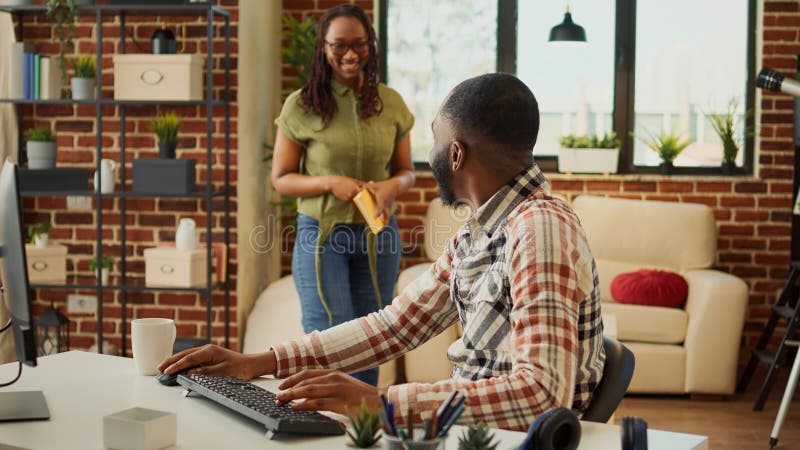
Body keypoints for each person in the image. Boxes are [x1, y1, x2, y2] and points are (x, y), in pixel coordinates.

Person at [159, 73, 605, 431]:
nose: (424, 156)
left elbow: (544, 395)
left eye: (433, 140)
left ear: (455, 155)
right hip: (462, 432)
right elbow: (394, 327)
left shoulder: (539, 231)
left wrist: (382, 402)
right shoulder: (480, 230)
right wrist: (259, 361)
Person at [269, 4, 415, 386]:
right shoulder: (301, 105)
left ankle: (361, 430)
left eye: (359, 45)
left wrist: (390, 186)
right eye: (339, 46)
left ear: (371, 46)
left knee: (372, 337)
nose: (350, 54)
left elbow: (407, 172)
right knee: (328, 335)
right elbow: (281, 178)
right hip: (322, 234)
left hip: (379, 234)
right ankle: (320, 430)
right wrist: (329, 182)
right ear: (323, 47)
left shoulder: (391, 104)